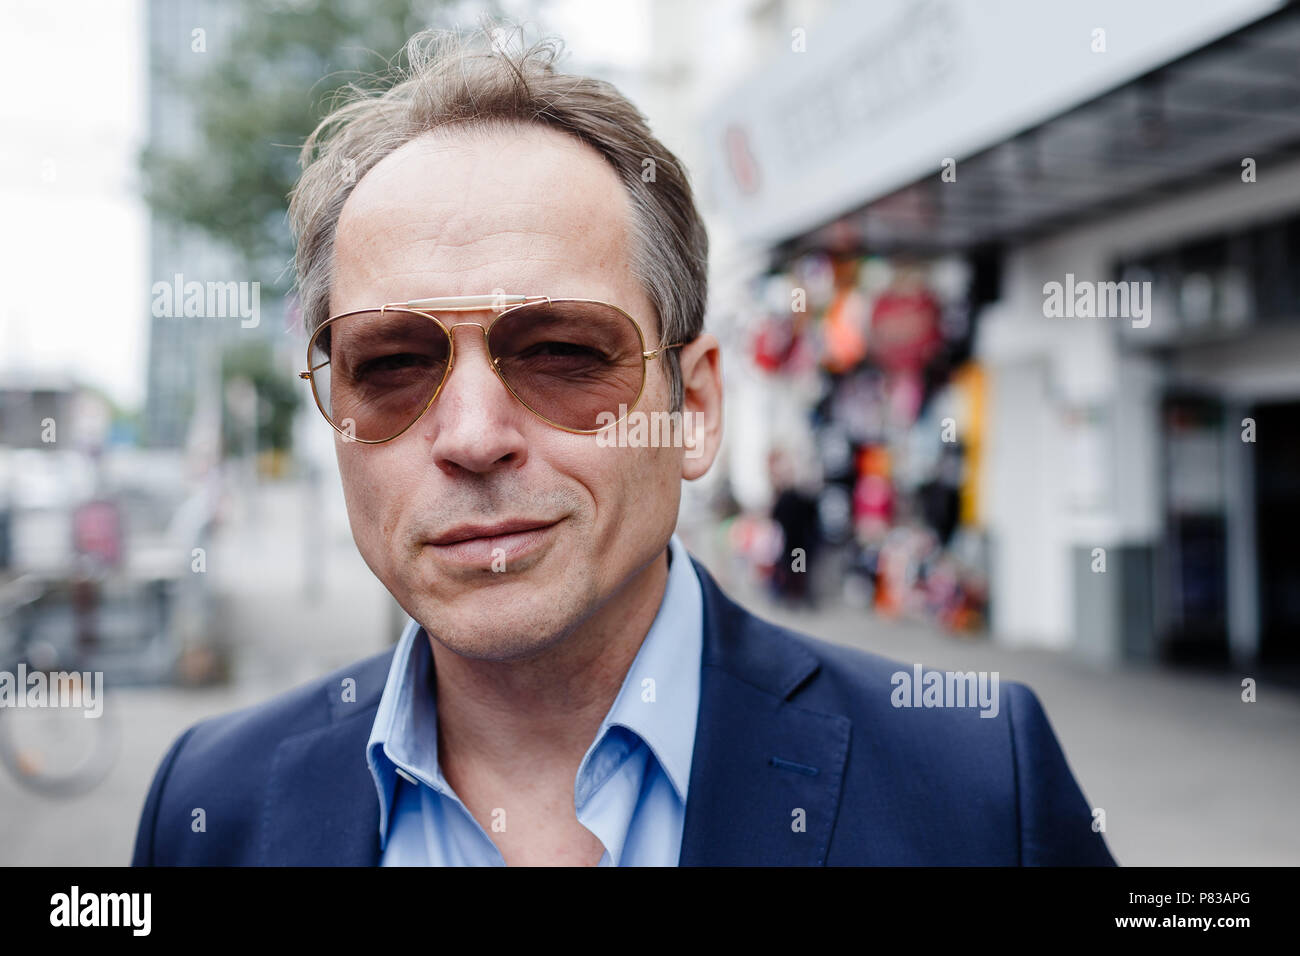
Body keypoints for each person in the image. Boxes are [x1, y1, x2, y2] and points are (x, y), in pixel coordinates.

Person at [132, 25, 1115, 866]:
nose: (472, 436)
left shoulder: (977, 785)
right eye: (390, 363)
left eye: (561, 351)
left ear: (692, 407)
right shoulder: (211, 807)